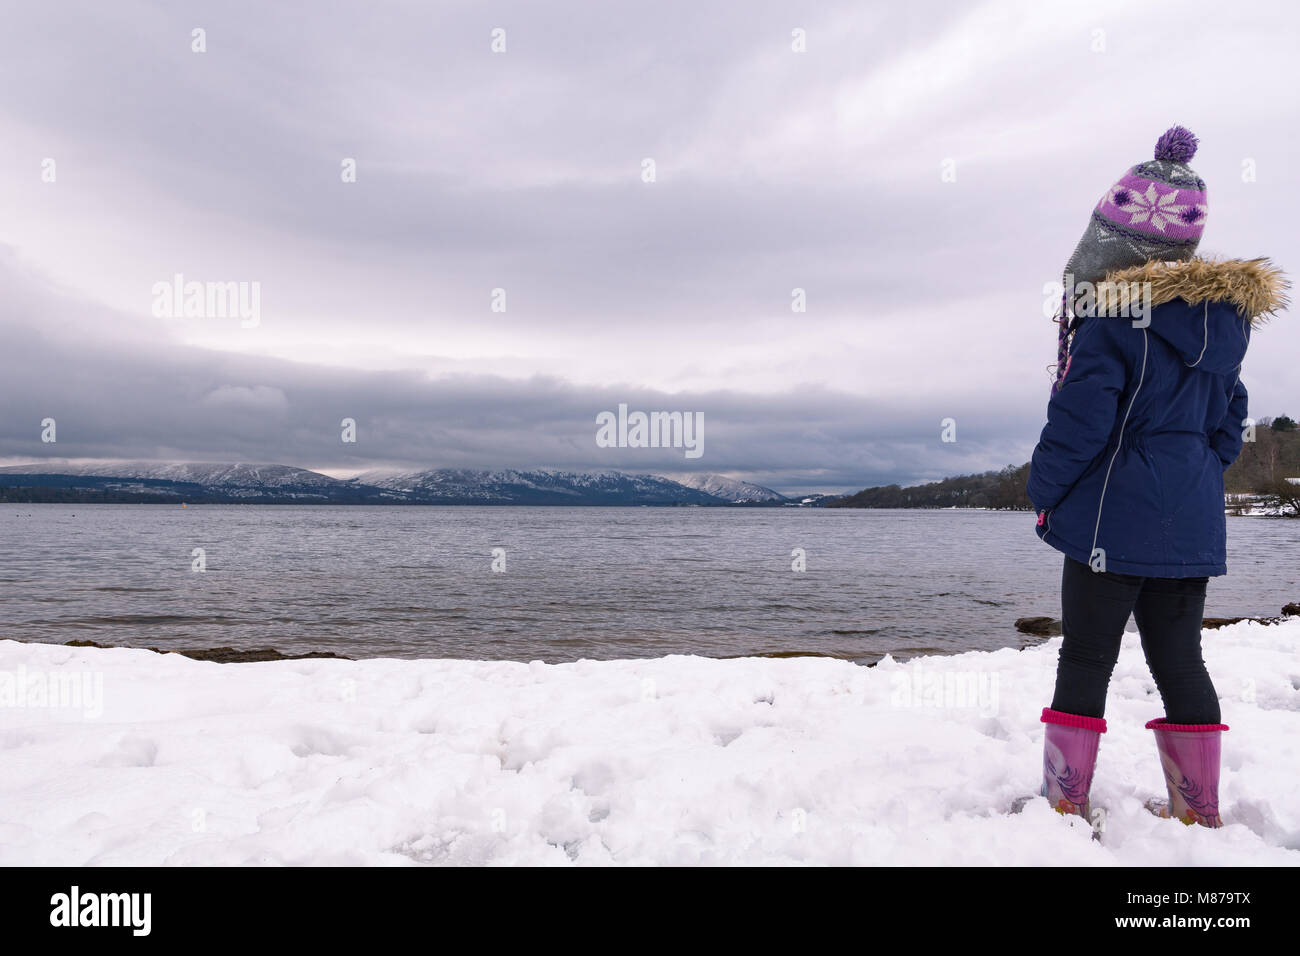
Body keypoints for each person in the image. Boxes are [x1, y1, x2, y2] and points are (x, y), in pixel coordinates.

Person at [1025, 126, 1288, 828]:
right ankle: (1196, 812)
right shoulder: (1223, 328)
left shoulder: (1111, 319)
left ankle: (1061, 804)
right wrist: (1195, 472)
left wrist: (1043, 491)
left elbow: (1079, 424)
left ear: (1113, 245)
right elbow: (1230, 422)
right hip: (1190, 518)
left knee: (1086, 657)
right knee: (1181, 660)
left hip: (1112, 519)